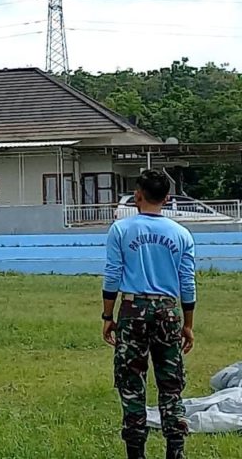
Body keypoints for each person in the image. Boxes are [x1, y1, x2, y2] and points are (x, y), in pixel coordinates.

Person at [102, 170, 196, 459]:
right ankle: (175, 451)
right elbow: (187, 282)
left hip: (133, 309)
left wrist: (108, 316)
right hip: (168, 311)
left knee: (131, 383)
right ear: (167, 198)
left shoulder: (121, 230)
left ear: (137, 195)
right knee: (170, 385)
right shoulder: (181, 234)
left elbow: (113, 274)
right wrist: (188, 325)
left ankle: (136, 452)